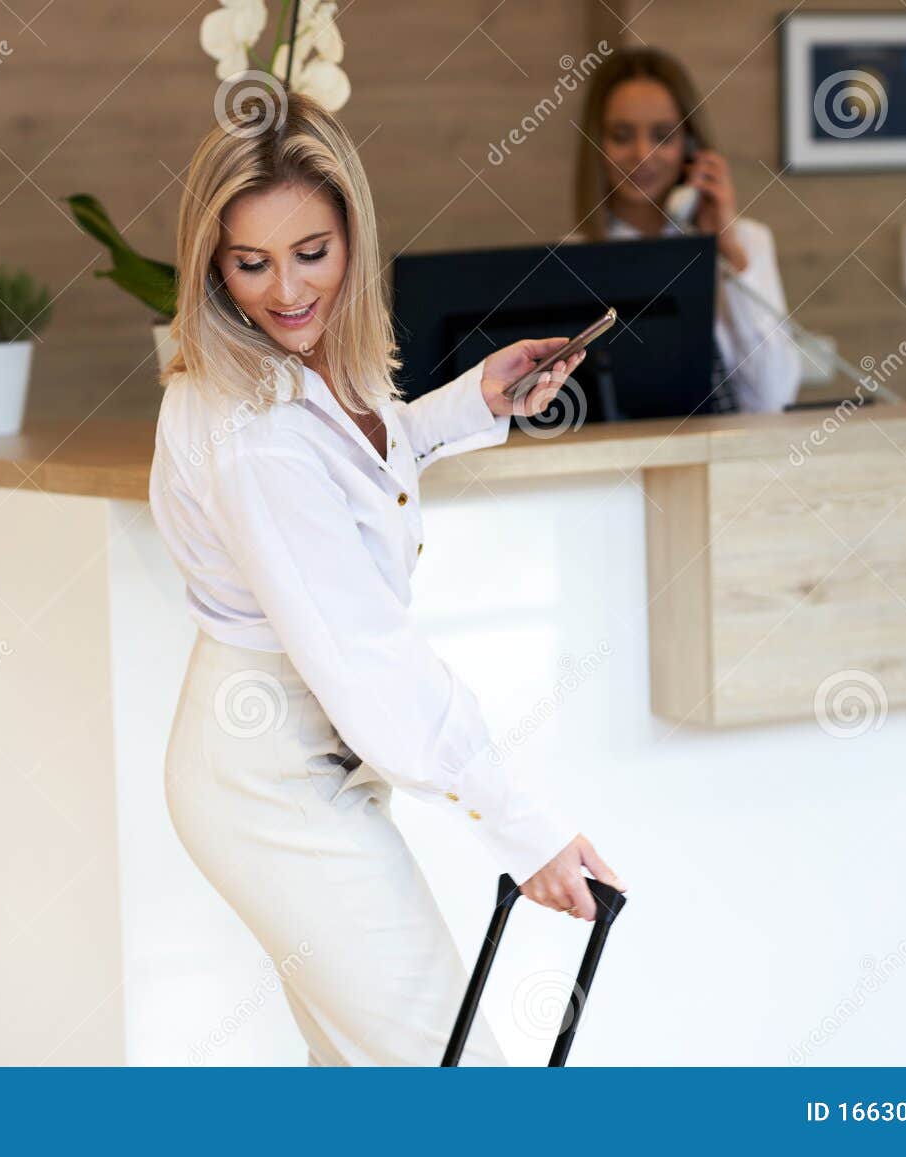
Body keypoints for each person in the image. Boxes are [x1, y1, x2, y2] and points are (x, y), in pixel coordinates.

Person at [149, 93, 627, 1066]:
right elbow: (367, 659)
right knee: (447, 1075)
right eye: (251, 262)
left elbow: (360, 464)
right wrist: (523, 828)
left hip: (298, 757)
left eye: (311, 252)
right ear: (211, 262)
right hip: (266, 779)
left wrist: (468, 402)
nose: (286, 289)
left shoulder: (312, 371)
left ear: (353, 236)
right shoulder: (259, 438)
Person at [572, 46, 802, 414]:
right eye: (622, 135)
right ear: (597, 146)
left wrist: (728, 251)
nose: (643, 155)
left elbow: (774, 396)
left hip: (731, 463)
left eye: (663, 136)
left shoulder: (746, 244)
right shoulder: (573, 259)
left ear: (690, 146)